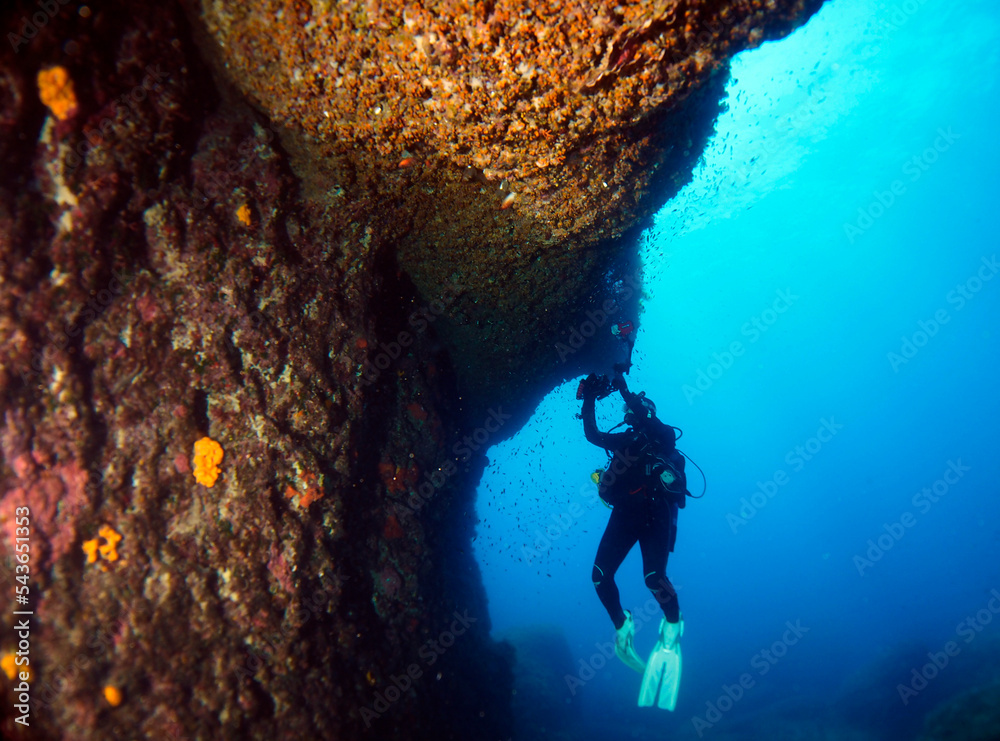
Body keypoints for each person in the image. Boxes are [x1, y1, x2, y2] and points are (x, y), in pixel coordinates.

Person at [578, 370, 687, 710]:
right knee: (599, 576)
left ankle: (671, 631)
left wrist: (626, 392)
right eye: (630, 413)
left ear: (649, 413)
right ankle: (622, 626)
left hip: (656, 515)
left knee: (654, 578)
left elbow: (654, 426)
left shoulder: (664, 439)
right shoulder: (625, 442)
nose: (632, 416)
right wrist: (590, 399)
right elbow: (593, 435)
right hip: (626, 514)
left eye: (639, 411)